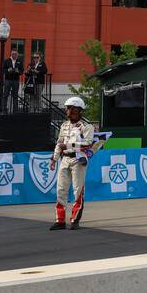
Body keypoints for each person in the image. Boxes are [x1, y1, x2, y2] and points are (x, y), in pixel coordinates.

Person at [49, 96, 95, 230]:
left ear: (77, 110)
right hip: (65, 159)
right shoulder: (64, 125)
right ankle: (60, 220)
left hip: (78, 160)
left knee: (78, 190)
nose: (66, 110)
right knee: (61, 190)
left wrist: (68, 146)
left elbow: (87, 144)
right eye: (67, 108)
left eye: (69, 108)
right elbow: (59, 143)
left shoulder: (87, 126)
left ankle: (75, 220)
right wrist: (54, 159)